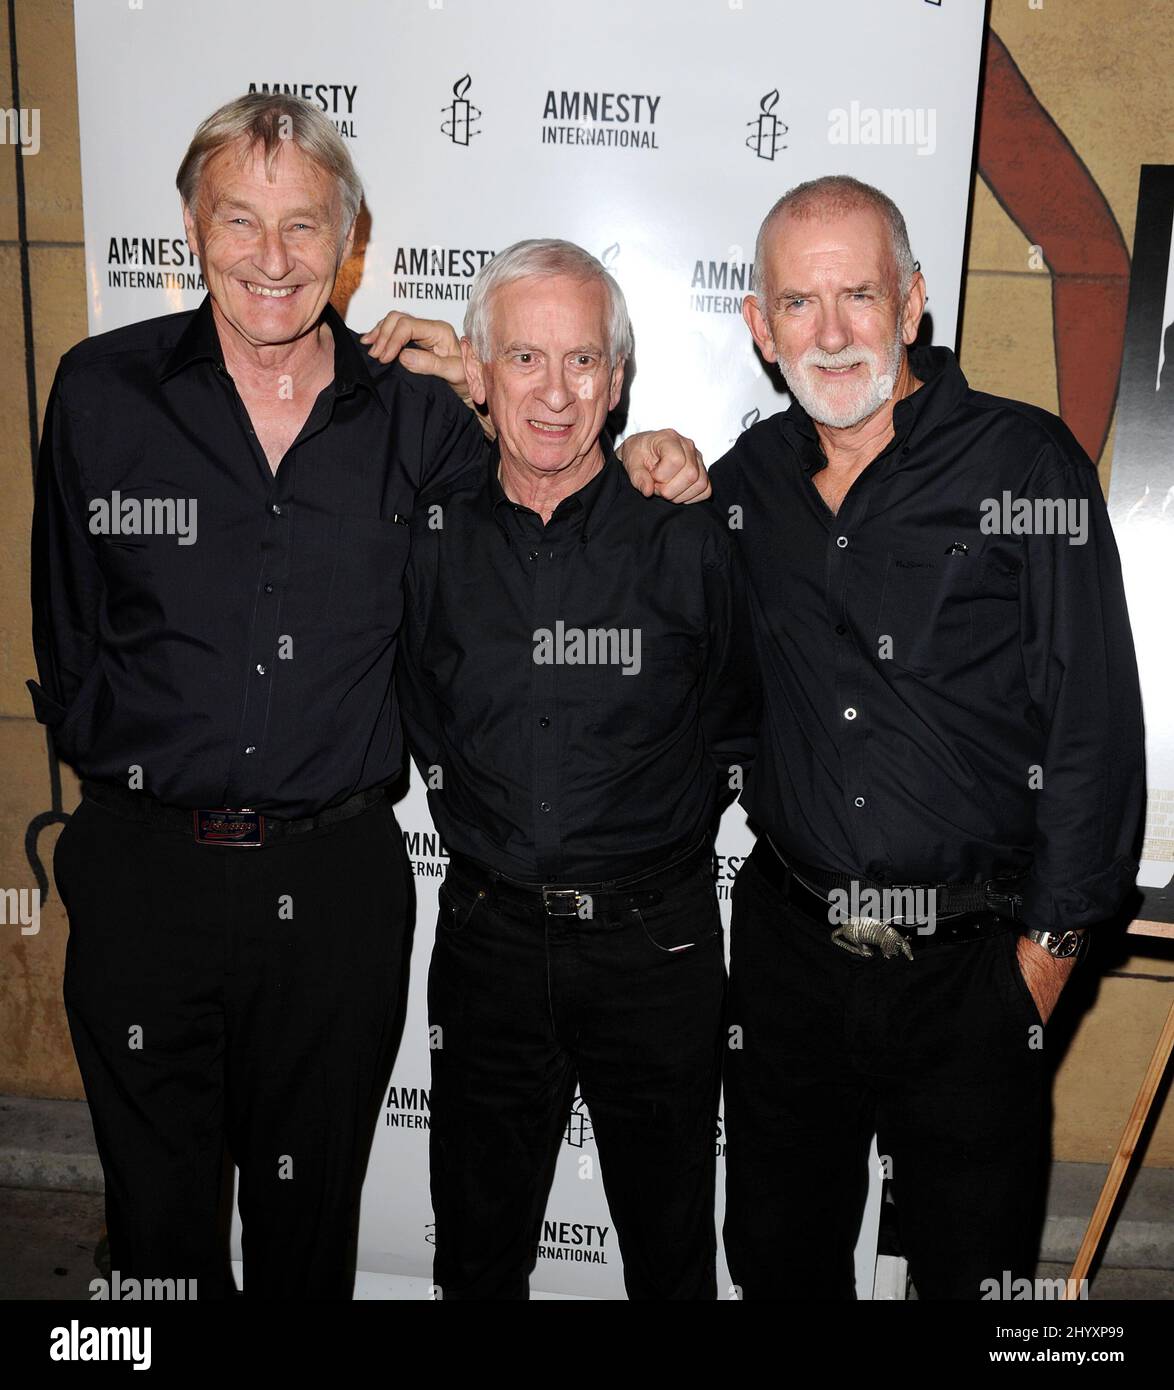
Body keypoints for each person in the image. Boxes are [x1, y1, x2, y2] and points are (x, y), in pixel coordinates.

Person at [29, 93, 704, 1299]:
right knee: (154, 1230)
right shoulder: (99, 392)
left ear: (352, 239)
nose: (274, 259)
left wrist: (655, 446)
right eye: (241, 220)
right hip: (145, 876)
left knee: (308, 1234)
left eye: (305, 226)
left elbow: (553, 445)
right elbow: (67, 628)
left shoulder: (419, 420)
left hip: (331, 886)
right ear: (192, 226)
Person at [712, 175, 1145, 1299]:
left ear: (911, 304)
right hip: (792, 954)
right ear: (760, 328)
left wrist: (1040, 968)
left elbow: (1093, 731)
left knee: (970, 1274)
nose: (833, 331)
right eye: (799, 305)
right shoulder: (743, 483)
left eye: (858, 294)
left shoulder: (1025, 467)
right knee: (776, 1262)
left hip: (973, 972)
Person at [396, 239, 759, 1299]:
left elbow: (735, 719)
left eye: (583, 363)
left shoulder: (687, 538)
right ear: (479, 369)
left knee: (670, 1256)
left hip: (659, 948)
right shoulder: (431, 534)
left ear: (617, 378)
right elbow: (419, 705)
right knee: (474, 1256)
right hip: (487, 943)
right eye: (523, 359)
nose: (554, 394)